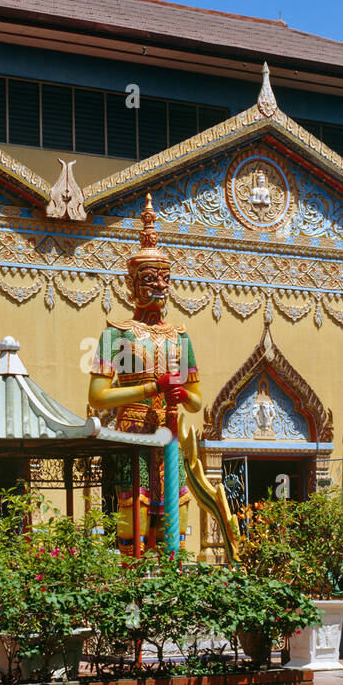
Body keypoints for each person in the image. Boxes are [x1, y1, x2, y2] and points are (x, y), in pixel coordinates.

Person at [87, 195, 202, 552]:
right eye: (151, 277)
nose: (160, 285)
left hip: (168, 432)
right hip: (133, 433)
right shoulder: (116, 333)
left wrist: (182, 396)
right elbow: (98, 396)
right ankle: (130, 579)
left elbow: (197, 401)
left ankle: (173, 580)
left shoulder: (179, 336)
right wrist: (152, 386)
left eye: (165, 277)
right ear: (133, 283)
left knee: (175, 509)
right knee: (134, 510)